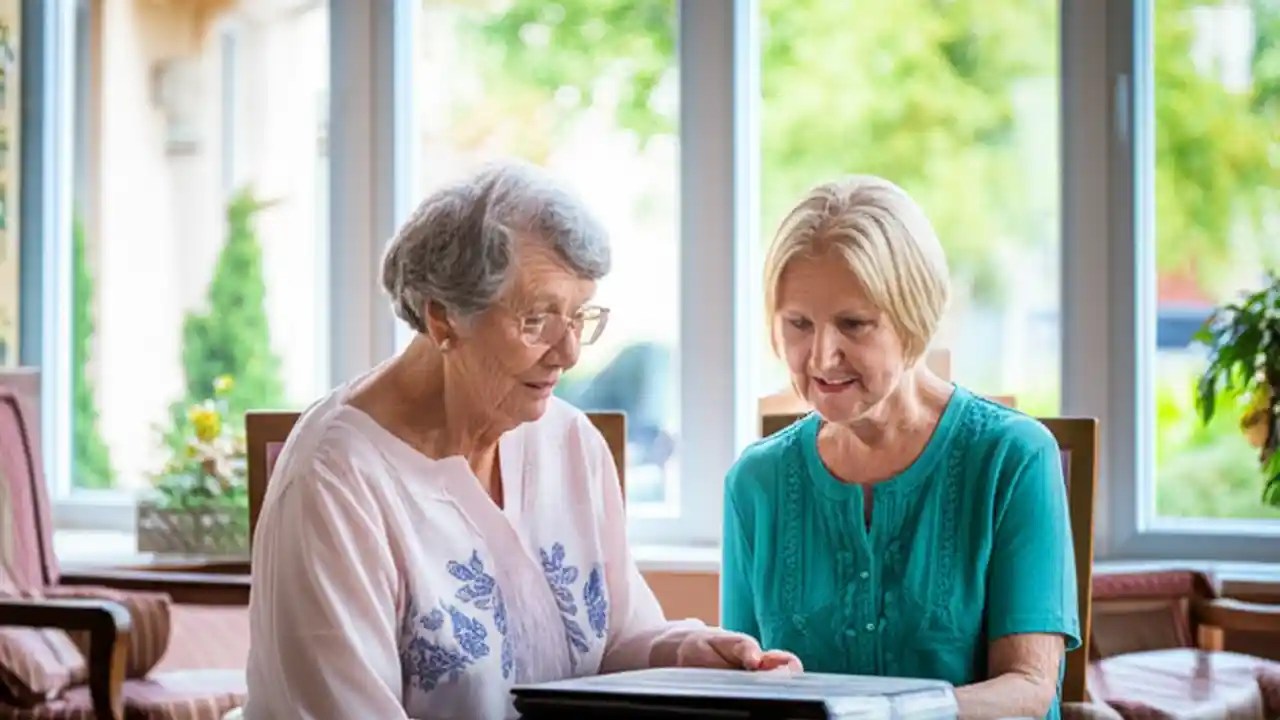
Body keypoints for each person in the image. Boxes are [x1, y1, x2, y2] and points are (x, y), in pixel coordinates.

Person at [242, 160, 798, 720]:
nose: (570, 351)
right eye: (537, 319)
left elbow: (616, 641)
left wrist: (685, 654)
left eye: (580, 316)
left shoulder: (570, 443)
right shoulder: (334, 481)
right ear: (443, 319)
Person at [720, 176, 1080, 720]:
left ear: (915, 317)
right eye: (798, 324)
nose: (821, 356)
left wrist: (888, 715)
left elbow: (1029, 689)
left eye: (854, 324)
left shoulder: (1015, 457)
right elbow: (739, 692)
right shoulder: (754, 483)